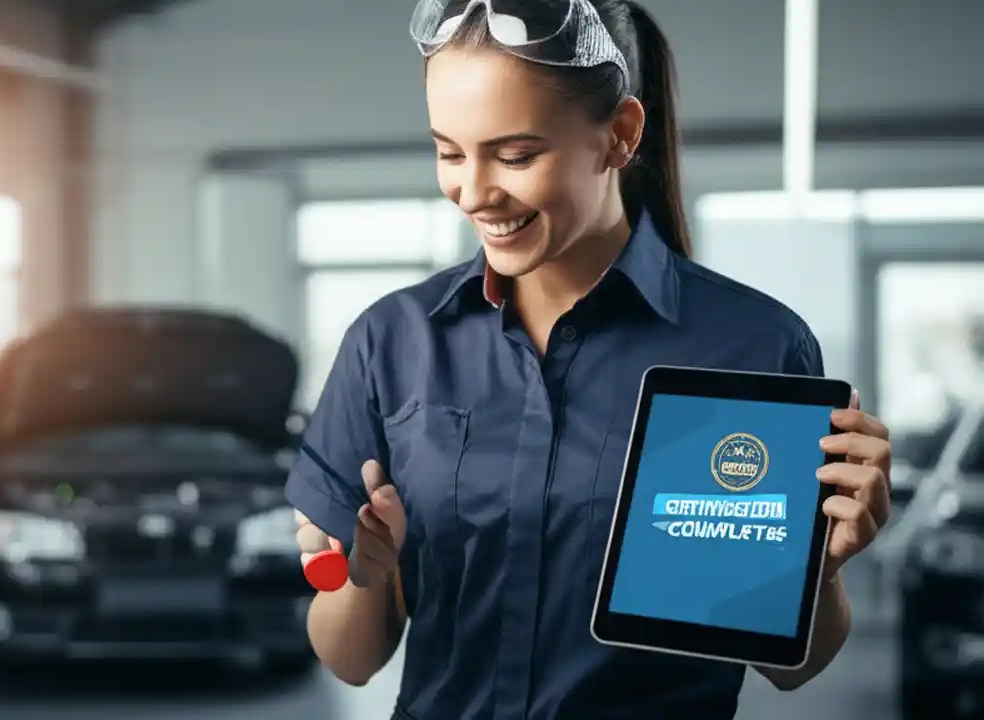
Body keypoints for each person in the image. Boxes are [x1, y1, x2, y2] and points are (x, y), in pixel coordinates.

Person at [284, 1, 893, 718]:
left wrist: (818, 572)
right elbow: (349, 660)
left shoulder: (753, 347)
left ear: (620, 137)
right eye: (449, 151)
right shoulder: (393, 343)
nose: (473, 192)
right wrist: (367, 575)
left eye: (515, 155)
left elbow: (787, 669)